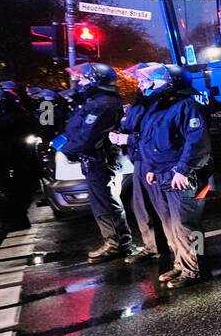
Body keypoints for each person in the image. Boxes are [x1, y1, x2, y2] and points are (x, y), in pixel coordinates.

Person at [134, 64, 211, 289]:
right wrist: (150, 168)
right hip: (161, 175)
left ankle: (195, 269)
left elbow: (197, 141)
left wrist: (183, 169)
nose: (143, 85)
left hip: (181, 176)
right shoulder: (157, 107)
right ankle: (181, 263)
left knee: (187, 226)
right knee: (170, 225)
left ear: (170, 83)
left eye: (149, 81)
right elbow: (148, 143)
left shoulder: (187, 106)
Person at [60, 63, 135, 260]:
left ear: (96, 80)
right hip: (94, 159)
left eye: (84, 79)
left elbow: (88, 135)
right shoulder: (96, 101)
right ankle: (115, 242)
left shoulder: (104, 104)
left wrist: (69, 150)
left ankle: (117, 244)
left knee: (106, 204)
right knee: (102, 203)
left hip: (100, 159)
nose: (80, 82)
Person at [111, 64, 169, 268]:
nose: (140, 84)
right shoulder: (141, 102)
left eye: (143, 80)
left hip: (152, 160)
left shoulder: (157, 103)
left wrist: (127, 139)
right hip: (140, 160)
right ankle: (153, 247)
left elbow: (153, 135)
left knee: (164, 209)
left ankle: (178, 252)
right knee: (141, 206)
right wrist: (120, 135)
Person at [0, 81, 40, 232]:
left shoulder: (13, 113)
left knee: (12, 189)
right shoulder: (19, 108)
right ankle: (15, 218)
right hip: (14, 155)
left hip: (11, 156)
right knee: (13, 188)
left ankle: (16, 219)